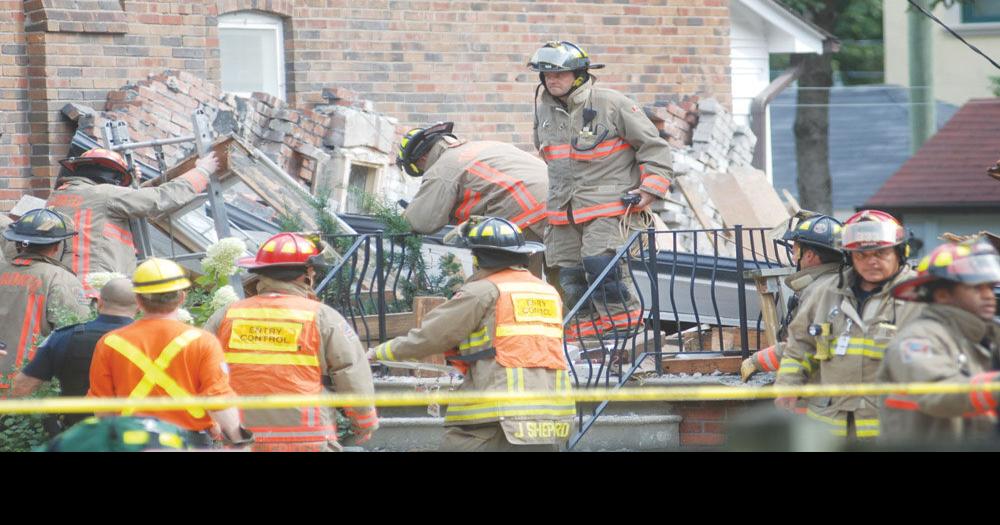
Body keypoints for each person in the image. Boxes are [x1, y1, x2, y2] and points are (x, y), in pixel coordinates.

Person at [369, 217, 576, 451]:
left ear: (478, 258)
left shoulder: (483, 291)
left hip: (497, 411)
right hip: (548, 411)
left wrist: (378, 353)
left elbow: (431, 336)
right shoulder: (548, 292)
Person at [528, 40, 674, 335]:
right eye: (546, 74)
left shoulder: (612, 104)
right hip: (563, 213)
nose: (551, 80)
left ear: (579, 74)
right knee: (567, 276)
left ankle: (624, 334)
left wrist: (649, 190)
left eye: (559, 73)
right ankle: (585, 336)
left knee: (603, 269)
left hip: (609, 209)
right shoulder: (544, 113)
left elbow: (654, 148)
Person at [204, 232, 378, 452]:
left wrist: (207, 421)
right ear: (307, 273)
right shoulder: (322, 317)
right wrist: (364, 421)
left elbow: (199, 370)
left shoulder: (226, 315)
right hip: (307, 439)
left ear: (261, 273)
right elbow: (351, 371)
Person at [774, 210, 922, 440]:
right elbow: (800, 346)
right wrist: (788, 385)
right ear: (850, 256)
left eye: (881, 253)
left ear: (899, 252)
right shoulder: (826, 293)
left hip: (891, 432)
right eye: (861, 254)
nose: (871, 261)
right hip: (831, 430)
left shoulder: (919, 297)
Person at [88, 258, 246, 447]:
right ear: (182, 298)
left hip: (132, 442)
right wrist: (239, 441)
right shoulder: (203, 341)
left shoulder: (109, 343)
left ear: (138, 300)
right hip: (190, 442)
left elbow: (103, 407)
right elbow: (218, 400)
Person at [878, 238, 1000, 446]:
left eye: (990, 287)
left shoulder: (986, 337)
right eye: (977, 288)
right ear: (943, 295)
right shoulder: (917, 340)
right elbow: (937, 394)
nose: (989, 296)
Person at [46, 147, 220, 289]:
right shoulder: (105, 194)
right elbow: (160, 198)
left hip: (60, 282)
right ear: (111, 176)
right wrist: (202, 171)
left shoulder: (58, 196)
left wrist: (131, 187)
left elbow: (107, 212)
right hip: (94, 287)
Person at [397, 122, 550, 278]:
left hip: (522, 209)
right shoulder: (478, 148)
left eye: (418, 168)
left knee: (498, 276)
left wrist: (396, 223)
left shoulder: (443, 167)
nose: (423, 171)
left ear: (422, 157)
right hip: (557, 202)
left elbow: (421, 221)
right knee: (558, 275)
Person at [11, 278, 137, 431]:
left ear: (99, 302)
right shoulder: (151, 340)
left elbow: (22, 386)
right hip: (139, 432)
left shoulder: (63, 337)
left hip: (78, 434)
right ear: (139, 306)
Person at [741, 214, 844, 383]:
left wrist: (756, 361)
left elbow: (810, 346)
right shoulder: (835, 281)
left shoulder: (819, 291)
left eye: (795, 250)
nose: (794, 256)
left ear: (809, 255)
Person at [0, 209, 90, 390]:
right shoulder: (60, 279)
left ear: (18, 243)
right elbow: (76, 334)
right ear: (57, 246)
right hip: (28, 386)